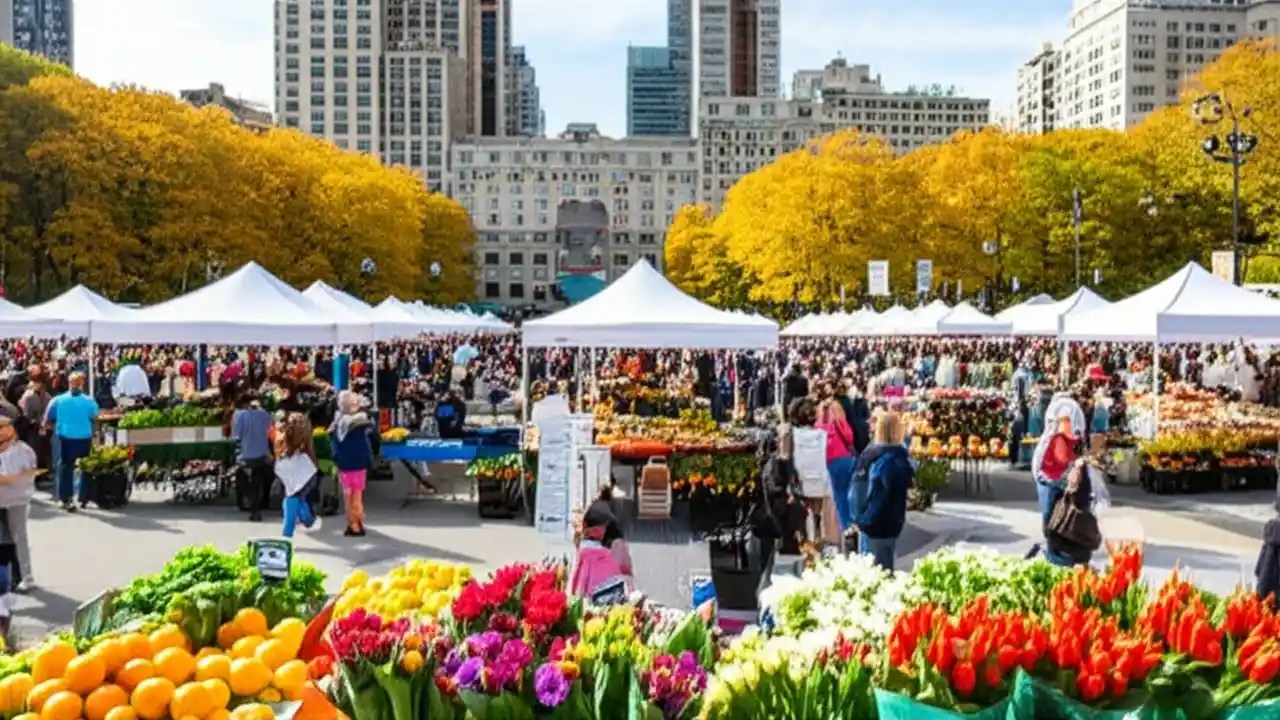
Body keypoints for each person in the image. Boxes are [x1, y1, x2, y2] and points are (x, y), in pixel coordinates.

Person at [850, 412, 914, 571]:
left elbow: (856, 490)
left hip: (866, 520)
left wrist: (859, 518)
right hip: (886, 522)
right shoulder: (898, 460)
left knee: (867, 565)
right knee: (883, 567)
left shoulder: (868, 456)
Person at [43, 372, 98, 512]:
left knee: (65, 467)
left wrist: (51, 427)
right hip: (84, 436)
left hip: (65, 436)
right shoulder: (89, 401)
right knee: (86, 467)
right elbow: (95, 419)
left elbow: (47, 418)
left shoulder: (57, 400)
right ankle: (84, 496)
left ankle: (65, 498)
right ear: (82, 384)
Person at [0, 414, 39, 592]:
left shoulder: (23, 451)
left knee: (19, 538)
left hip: (15, 500)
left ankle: (27, 577)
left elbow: (19, 478)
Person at [329, 390, 375, 537]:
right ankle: (358, 523)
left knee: (348, 495)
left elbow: (332, 440)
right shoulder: (361, 420)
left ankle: (353, 523)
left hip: (344, 463)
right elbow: (372, 435)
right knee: (357, 495)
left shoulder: (337, 422)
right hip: (359, 462)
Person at [275, 413, 322, 538]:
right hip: (307, 473)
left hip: (288, 471)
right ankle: (306, 519)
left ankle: (289, 530)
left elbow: (279, 454)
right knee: (297, 497)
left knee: (291, 497)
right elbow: (311, 456)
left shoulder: (283, 437)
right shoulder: (306, 438)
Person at [815, 398, 856, 539]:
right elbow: (850, 438)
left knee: (839, 496)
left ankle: (846, 527)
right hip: (847, 459)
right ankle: (853, 521)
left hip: (831, 462)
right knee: (850, 493)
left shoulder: (819, 427)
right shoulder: (840, 423)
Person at [231, 393, 274, 522]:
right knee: (258, 482)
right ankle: (257, 507)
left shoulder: (240, 415)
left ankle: (250, 503)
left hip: (245, 456)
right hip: (262, 455)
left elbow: (237, 436)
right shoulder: (266, 415)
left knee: (243, 479)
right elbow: (270, 433)